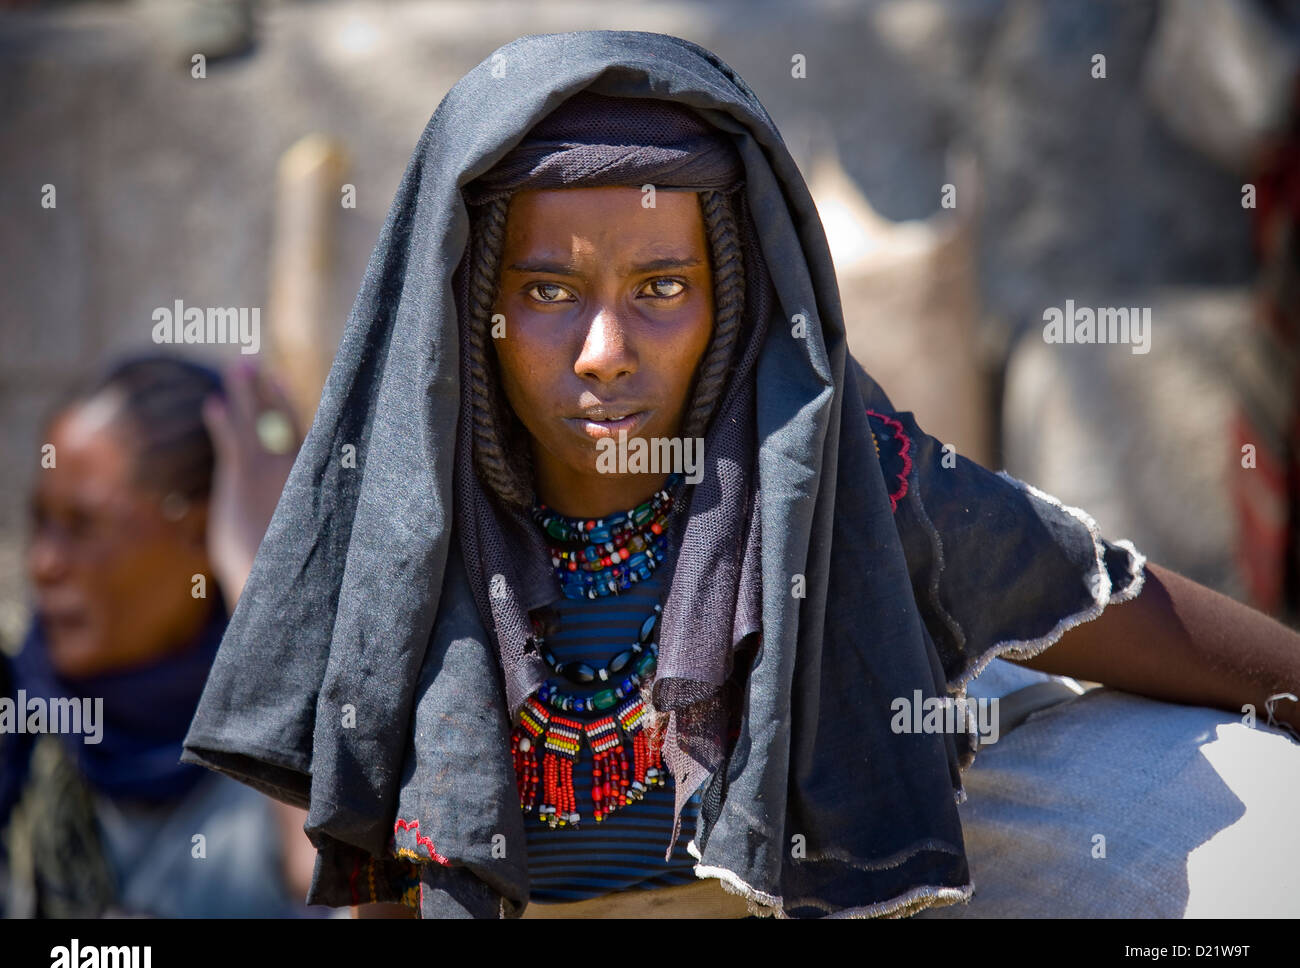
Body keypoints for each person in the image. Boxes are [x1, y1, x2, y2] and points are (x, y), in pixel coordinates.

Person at [181, 31, 1300, 919]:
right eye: (546, 290)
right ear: (470, 310)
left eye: (662, 287)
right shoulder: (405, 542)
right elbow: (376, 866)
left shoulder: (830, 492)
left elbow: (1108, 605)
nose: (605, 349)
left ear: (732, 304)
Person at [0, 354, 326, 917]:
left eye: (83, 526)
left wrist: (262, 580)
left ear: (204, 535)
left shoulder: (295, 735)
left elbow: (325, 873)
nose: (44, 563)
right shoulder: (22, 723)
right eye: (42, 523)